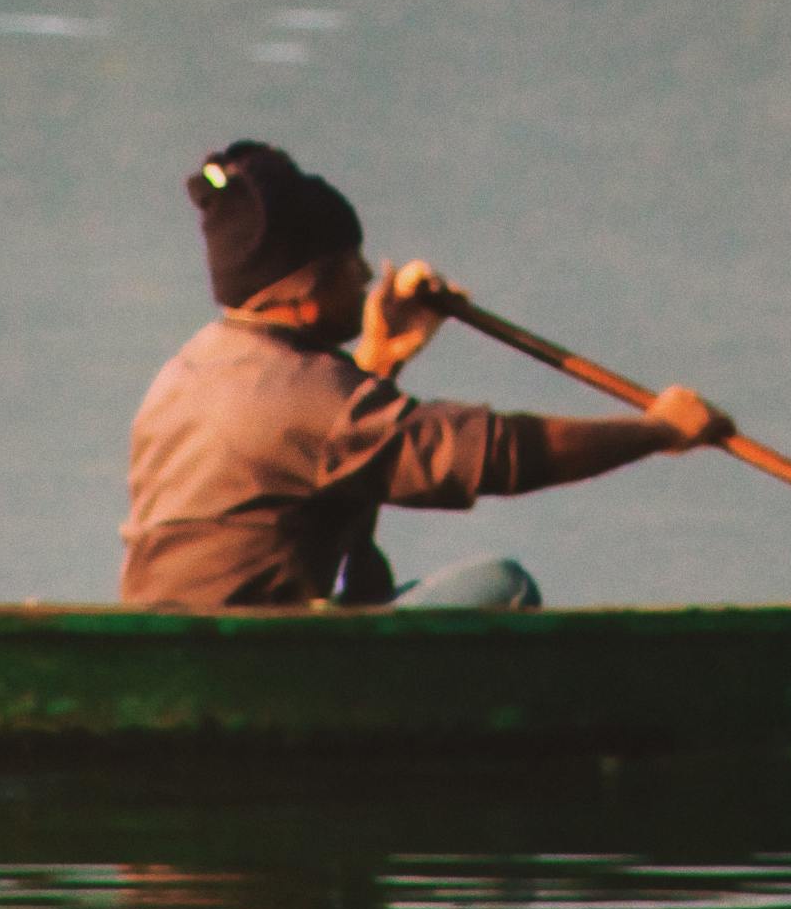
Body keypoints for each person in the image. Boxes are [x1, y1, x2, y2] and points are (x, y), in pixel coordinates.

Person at [122, 138, 732, 614]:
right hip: (256, 655)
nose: (365, 279)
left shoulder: (185, 372)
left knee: (387, 592)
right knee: (504, 586)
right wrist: (656, 431)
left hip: (190, 632)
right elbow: (497, 456)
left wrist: (381, 357)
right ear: (305, 292)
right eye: (348, 265)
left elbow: (319, 444)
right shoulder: (308, 394)